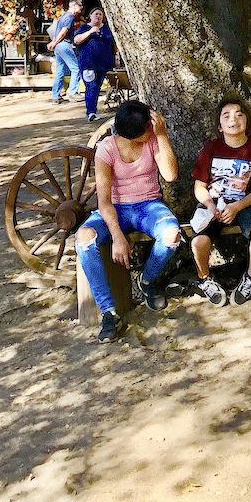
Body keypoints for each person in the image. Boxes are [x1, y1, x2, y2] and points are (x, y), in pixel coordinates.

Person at [75, 99, 181, 342]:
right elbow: (104, 201)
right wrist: (117, 236)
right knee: (84, 237)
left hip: (148, 206)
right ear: (134, 134)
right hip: (115, 209)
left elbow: (170, 175)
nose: (152, 128)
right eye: (149, 127)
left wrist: (162, 135)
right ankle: (109, 312)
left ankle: (147, 280)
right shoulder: (106, 149)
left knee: (171, 234)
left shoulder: (152, 140)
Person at [191, 99, 251, 307]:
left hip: (244, 203)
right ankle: (205, 279)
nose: (233, 120)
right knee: (198, 242)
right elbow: (199, 187)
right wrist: (210, 205)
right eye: (226, 116)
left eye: (239, 114)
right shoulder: (210, 149)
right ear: (220, 126)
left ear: (247, 120)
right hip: (214, 204)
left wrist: (237, 207)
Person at [73, 7, 115, 121]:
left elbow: (113, 44)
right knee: (91, 87)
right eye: (96, 14)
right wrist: (90, 32)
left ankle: (93, 111)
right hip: (88, 64)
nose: (98, 16)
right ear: (90, 16)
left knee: (97, 88)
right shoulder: (84, 28)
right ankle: (90, 112)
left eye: (100, 14)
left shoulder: (107, 29)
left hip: (103, 64)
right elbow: (76, 40)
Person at [47, 0, 84, 103]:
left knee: (60, 71)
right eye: (80, 5)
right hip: (64, 45)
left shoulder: (63, 16)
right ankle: (73, 93)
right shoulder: (70, 17)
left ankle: (55, 96)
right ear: (73, 5)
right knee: (76, 68)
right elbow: (63, 31)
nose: (81, 8)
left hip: (59, 46)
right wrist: (54, 42)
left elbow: (57, 31)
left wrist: (54, 42)